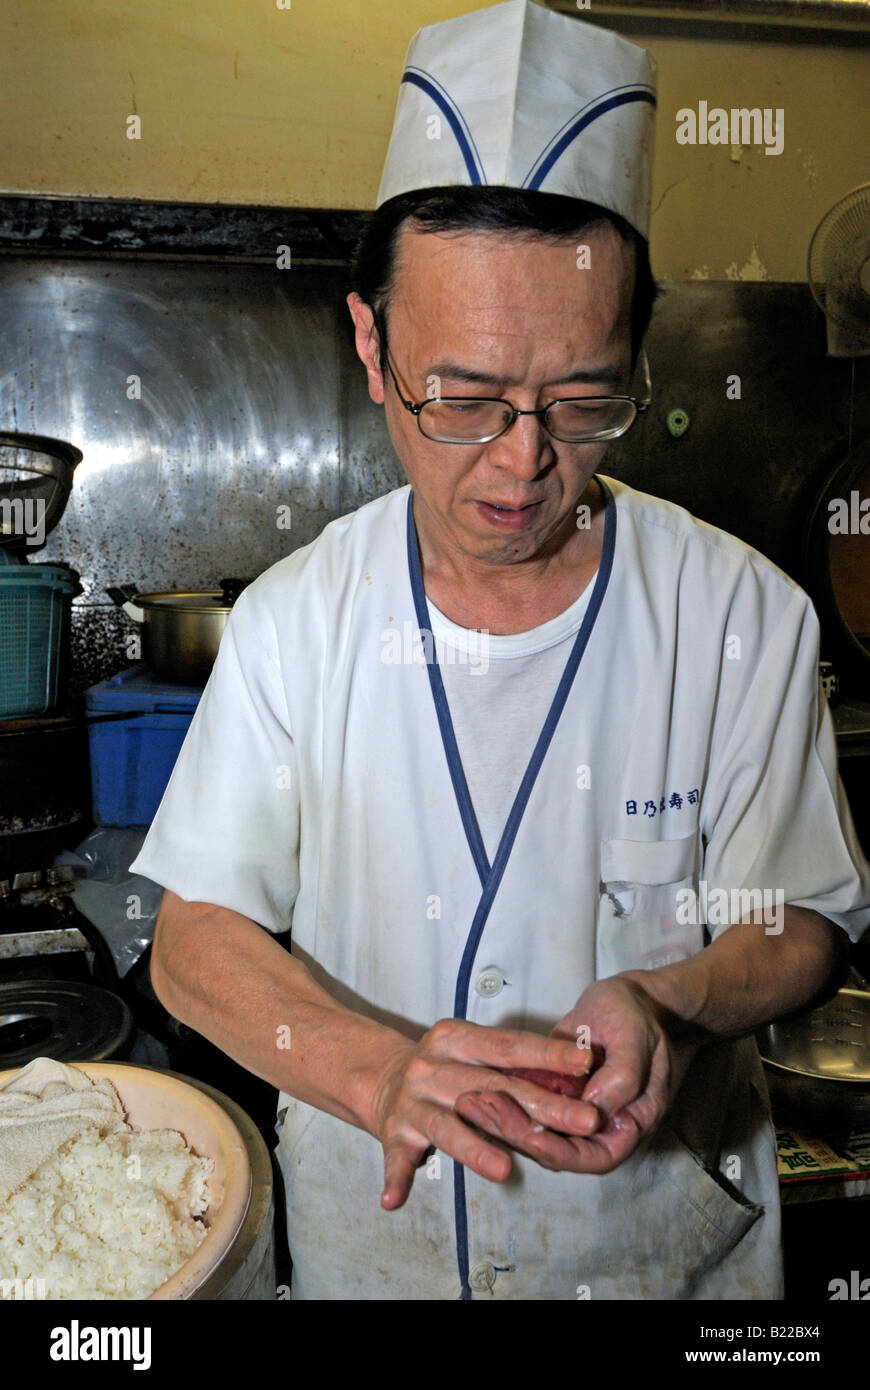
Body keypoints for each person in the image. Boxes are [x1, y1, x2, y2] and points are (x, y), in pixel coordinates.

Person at [132, 0, 870, 1300]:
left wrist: (679, 998)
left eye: (583, 399)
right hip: (379, 1247)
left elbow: (798, 916)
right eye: (462, 399)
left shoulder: (737, 611)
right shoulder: (300, 618)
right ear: (371, 346)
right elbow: (195, 937)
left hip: (658, 1255)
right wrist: (375, 1070)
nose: (520, 463)